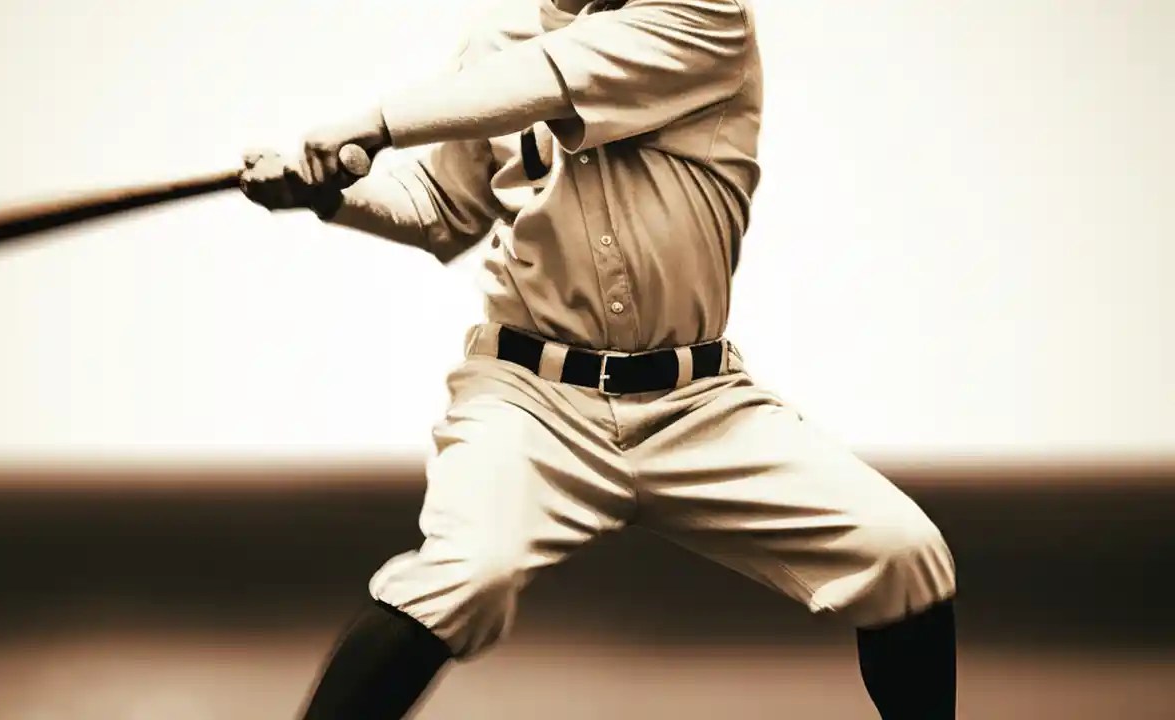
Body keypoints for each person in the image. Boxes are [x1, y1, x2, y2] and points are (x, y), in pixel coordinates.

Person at [239, 1, 958, 717]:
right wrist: (327, 195)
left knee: (902, 553)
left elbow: (554, 74)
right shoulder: (499, 39)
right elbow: (442, 207)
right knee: (463, 576)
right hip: (530, 396)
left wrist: (378, 123)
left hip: (697, 404)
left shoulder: (706, 15)